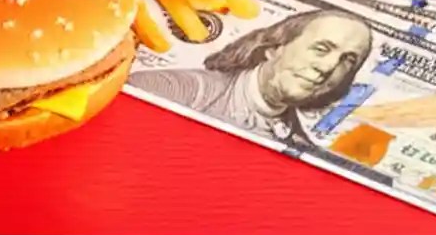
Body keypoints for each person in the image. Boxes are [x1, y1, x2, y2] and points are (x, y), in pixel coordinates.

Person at [128, 9, 374, 148]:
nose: (328, 67)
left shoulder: (302, 147)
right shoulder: (169, 88)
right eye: (321, 49)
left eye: (347, 61)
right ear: (274, 47)